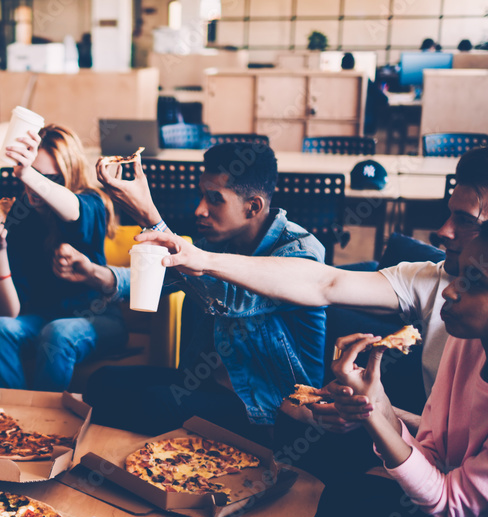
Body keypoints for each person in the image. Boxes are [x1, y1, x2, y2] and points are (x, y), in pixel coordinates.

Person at [132, 147, 488, 478]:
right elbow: (326, 284)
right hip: (434, 464)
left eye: (466, 220)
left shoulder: (298, 246)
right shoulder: (433, 279)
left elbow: (455, 495)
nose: (442, 231)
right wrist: (374, 409)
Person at [60, 142, 326, 438]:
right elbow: (166, 276)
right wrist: (92, 272)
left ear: (253, 206)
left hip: (268, 408)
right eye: (202, 195)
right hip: (207, 384)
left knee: (153, 405)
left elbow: (229, 298)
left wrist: (151, 217)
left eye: (215, 199)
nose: (200, 210)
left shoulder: (300, 252)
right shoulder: (218, 243)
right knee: (102, 382)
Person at [309, 230, 488, 517]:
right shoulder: (464, 343)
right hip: (456, 508)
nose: (451, 289)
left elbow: (449, 501)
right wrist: (375, 401)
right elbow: (431, 447)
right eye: (459, 272)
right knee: (344, 501)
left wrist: (374, 415)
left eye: (475, 279)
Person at [0, 124, 126, 391]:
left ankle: (45, 427)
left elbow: (73, 211)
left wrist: (27, 174)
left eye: (48, 179)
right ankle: (14, 421)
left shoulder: (92, 202)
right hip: (40, 318)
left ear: (69, 174)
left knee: (58, 332)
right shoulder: (21, 215)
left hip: (98, 319)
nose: (34, 188)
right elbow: (10, 311)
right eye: (31, 176)